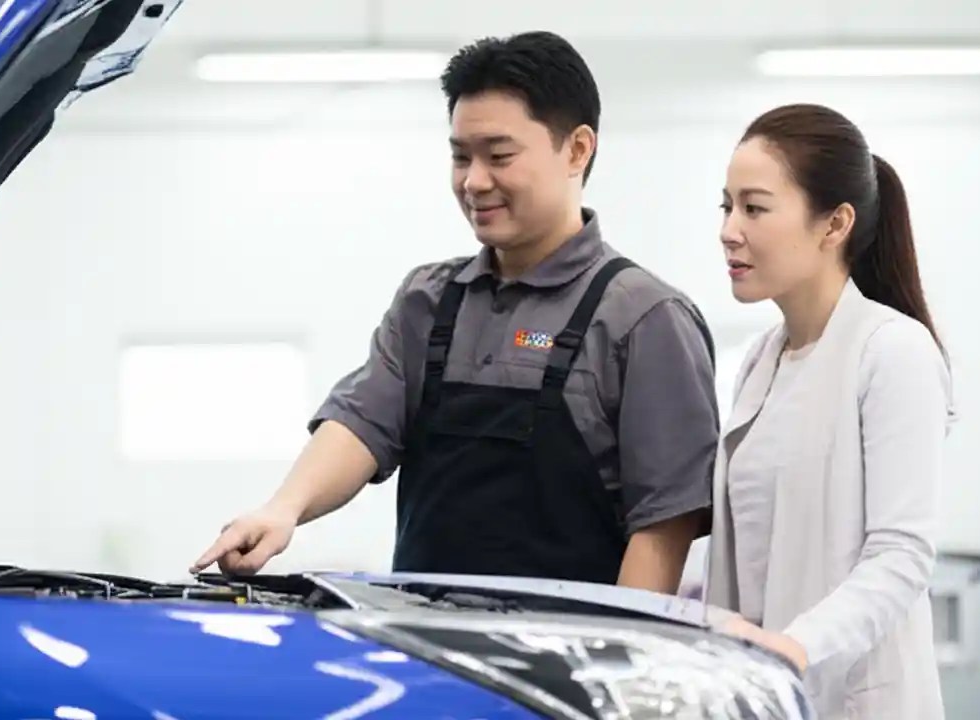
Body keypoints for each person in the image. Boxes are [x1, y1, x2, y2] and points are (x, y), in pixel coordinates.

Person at [190, 30, 719, 592]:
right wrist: (283, 509)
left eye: (499, 156)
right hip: (430, 653)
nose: (474, 181)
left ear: (577, 149)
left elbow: (664, 526)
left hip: (564, 658)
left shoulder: (642, 318)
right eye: (460, 156)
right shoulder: (430, 300)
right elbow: (362, 423)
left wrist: (617, 654)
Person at [705, 103, 953, 718]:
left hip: (853, 698)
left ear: (834, 223)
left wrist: (795, 647)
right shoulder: (763, 358)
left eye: (755, 208)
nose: (730, 229)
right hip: (769, 690)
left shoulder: (891, 350)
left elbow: (901, 555)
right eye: (727, 205)